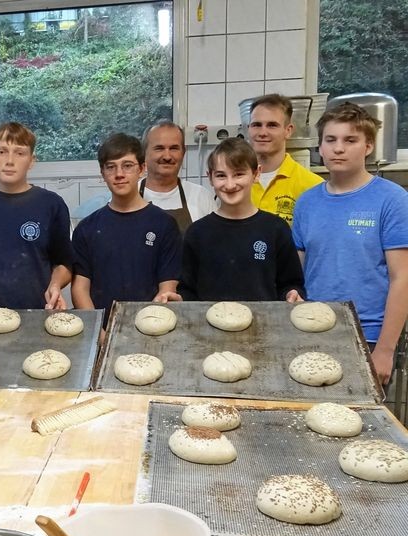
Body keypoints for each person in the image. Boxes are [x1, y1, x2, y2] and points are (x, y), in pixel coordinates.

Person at [293, 103, 408, 386]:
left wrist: (384, 349)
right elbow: (298, 272)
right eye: (330, 140)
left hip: (366, 337)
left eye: (350, 140)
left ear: (368, 146)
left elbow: (402, 277)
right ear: (320, 147)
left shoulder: (391, 200)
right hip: (312, 332)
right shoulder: (307, 202)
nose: (338, 149)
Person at [0, 122, 74, 310]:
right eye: (1, 152)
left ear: (32, 160)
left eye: (19, 153)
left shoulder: (51, 205)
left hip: (38, 313)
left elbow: (64, 265)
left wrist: (55, 285)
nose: (10, 160)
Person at [72, 133, 181, 328]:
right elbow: (80, 289)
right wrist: (100, 335)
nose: (119, 174)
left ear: (142, 169)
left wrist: (147, 329)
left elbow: (167, 288)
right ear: (102, 173)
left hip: (149, 328)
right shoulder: (87, 228)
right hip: (100, 330)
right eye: (111, 167)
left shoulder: (164, 224)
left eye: (127, 166)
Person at [175, 138, 304, 302]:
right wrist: (179, 300)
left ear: (256, 174)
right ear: (210, 177)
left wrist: (292, 293)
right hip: (210, 324)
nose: (230, 185)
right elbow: (187, 289)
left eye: (239, 174)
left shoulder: (276, 229)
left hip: (263, 324)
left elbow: (291, 283)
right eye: (221, 175)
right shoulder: (197, 233)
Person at [248, 94, 324, 225]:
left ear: (288, 131)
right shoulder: (235, 183)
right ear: (248, 129)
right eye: (256, 125)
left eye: (272, 125)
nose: (262, 132)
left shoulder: (313, 186)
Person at [139, 120, 216, 233]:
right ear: (144, 153)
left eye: (174, 148)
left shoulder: (201, 197)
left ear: (183, 153)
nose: (167, 156)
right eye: (159, 148)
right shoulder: (128, 197)